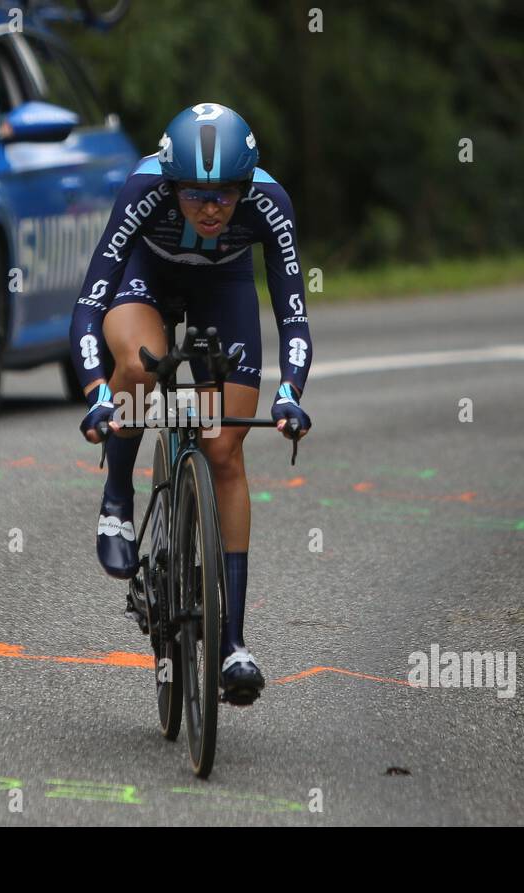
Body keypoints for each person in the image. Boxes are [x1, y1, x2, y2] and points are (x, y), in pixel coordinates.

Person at [67, 103, 313, 704]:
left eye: (225, 195)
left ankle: (232, 644)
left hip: (223, 289)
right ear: (172, 184)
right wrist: (99, 393)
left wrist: (290, 394)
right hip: (145, 279)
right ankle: (118, 498)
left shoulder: (269, 202)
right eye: (197, 195)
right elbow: (88, 306)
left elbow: (293, 314)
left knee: (223, 447)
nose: (210, 208)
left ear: (245, 185)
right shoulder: (144, 188)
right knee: (139, 362)